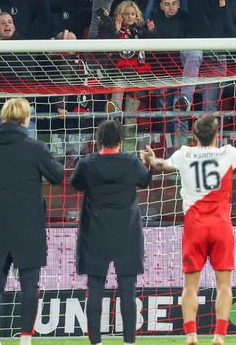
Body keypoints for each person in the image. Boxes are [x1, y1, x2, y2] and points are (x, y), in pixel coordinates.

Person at [139, 115, 236, 345]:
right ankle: (219, 335)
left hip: (194, 227)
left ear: (194, 135)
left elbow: (161, 165)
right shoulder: (227, 153)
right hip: (220, 225)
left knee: (190, 285)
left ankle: (191, 334)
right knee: (223, 285)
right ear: (217, 135)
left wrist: (150, 158)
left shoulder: (184, 153)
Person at [0, 98, 64, 345]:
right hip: (29, 225)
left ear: (3, 117)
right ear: (26, 118)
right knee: (29, 284)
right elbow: (57, 176)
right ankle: (25, 340)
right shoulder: (36, 148)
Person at [71, 120, 153, 345]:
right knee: (127, 289)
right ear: (121, 140)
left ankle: (96, 342)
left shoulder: (87, 163)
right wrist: (148, 162)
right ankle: (129, 342)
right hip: (126, 232)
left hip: (95, 231)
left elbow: (75, 184)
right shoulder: (131, 162)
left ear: (98, 139)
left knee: (95, 287)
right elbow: (145, 180)